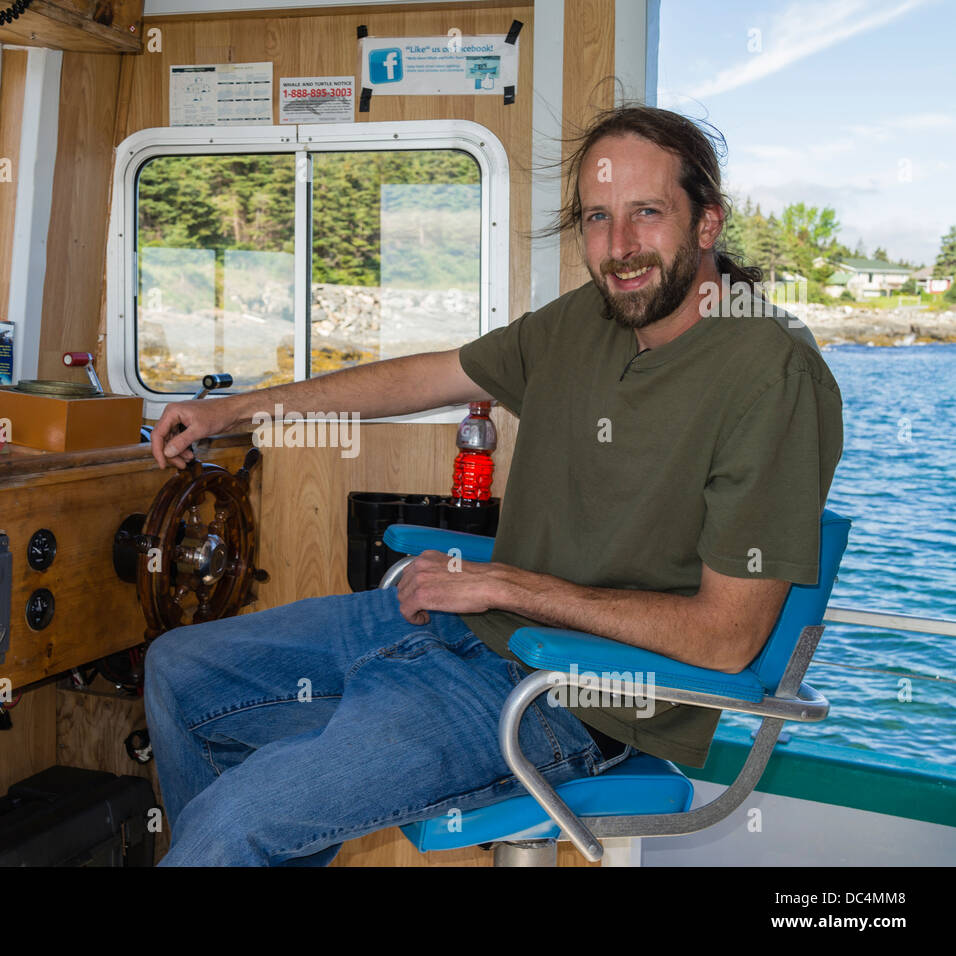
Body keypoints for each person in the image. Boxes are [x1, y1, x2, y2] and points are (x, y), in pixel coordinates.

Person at [142, 105, 843, 866]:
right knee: (178, 671)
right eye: (599, 218)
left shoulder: (773, 374)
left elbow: (726, 636)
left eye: (648, 213)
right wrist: (235, 409)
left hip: (576, 699)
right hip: (465, 634)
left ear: (707, 223)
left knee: (234, 822)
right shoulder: (584, 323)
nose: (620, 247)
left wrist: (505, 584)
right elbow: (424, 377)